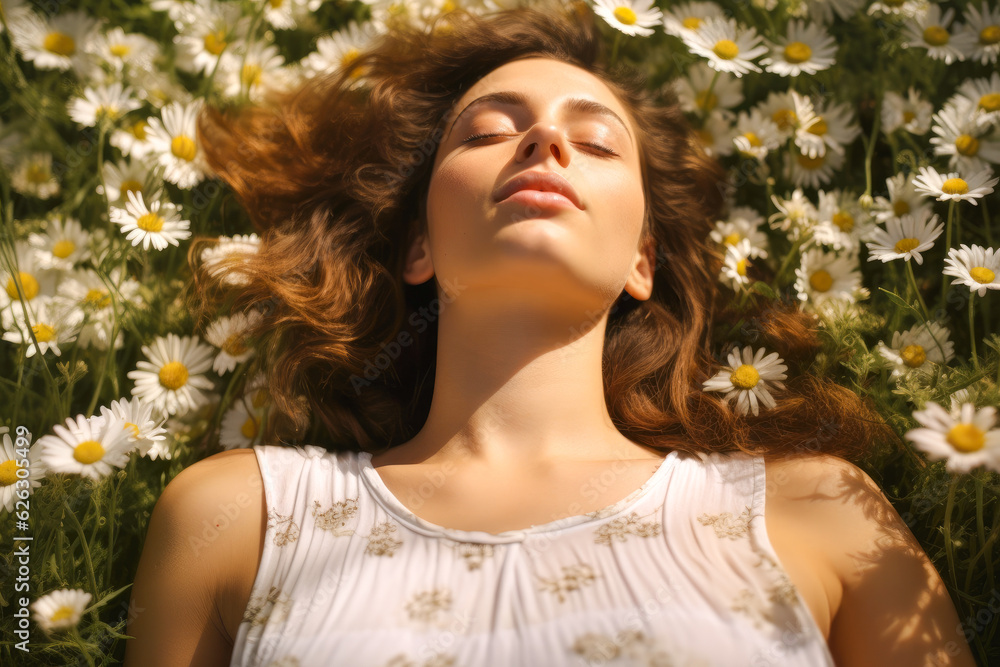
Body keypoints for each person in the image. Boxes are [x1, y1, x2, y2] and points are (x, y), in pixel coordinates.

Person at [123, 4, 976, 666]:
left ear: (643, 259)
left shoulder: (819, 512)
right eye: (489, 131)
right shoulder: (242, 516)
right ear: (418, 243)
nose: (545, 140)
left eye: (598, 143)